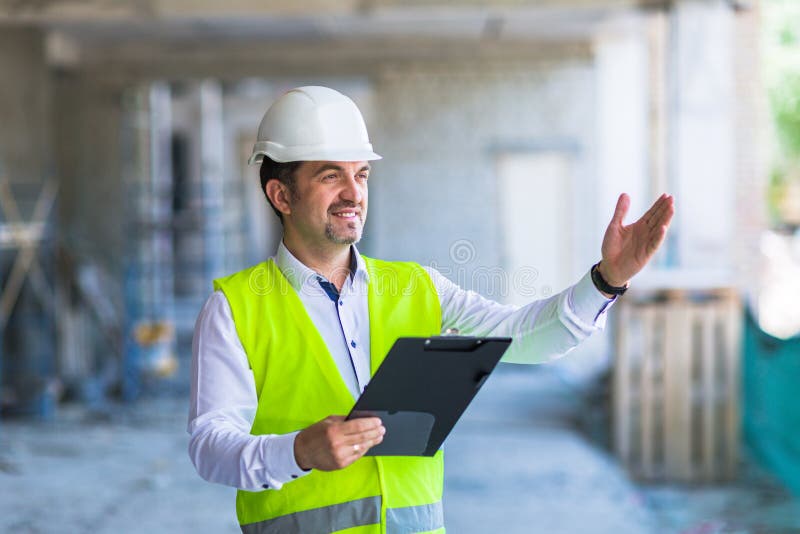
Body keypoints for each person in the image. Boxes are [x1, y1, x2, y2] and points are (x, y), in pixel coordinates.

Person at [188, 86, 674, 533]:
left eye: (361, 174)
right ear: (281, 195)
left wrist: (607, 279)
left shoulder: (419, 288)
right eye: (330, 175)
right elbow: (210, 446)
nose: (354, 192)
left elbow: (526, 338)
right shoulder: (234, 308)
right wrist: (296, 451)